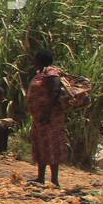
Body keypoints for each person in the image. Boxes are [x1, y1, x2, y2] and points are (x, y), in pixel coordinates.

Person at [26, 49, 68, 186]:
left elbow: (55, 90)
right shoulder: (41, 73)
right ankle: (40, 178)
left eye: (35, 59)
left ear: (41, 60)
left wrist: (47, 112)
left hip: (50, 118)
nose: (33, 62)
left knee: (51, 146)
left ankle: (54, 180)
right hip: (40, 118)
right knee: (40, 145)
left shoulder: (51, 72)